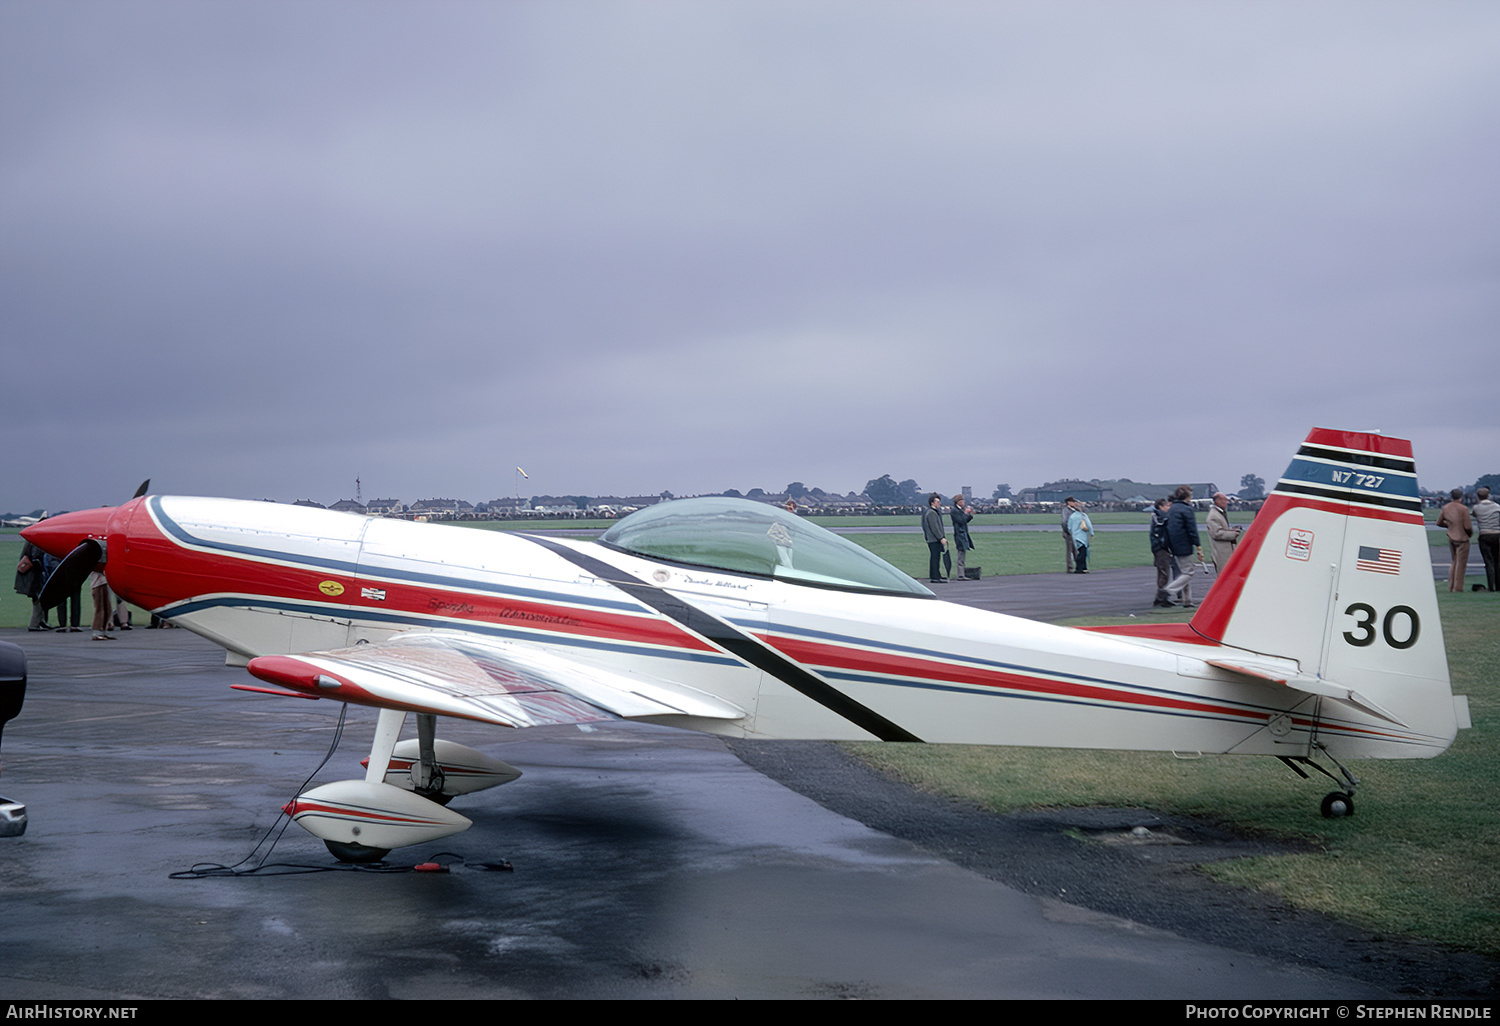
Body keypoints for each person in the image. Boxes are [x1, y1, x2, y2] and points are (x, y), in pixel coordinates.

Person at [1164, 486, 1204, 607]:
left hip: (1173, 544)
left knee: (1183, 572)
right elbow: (1192, 530)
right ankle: (1170, 589)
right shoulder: (1186, 509)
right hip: (1184, 544)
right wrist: (1198, 546)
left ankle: (1187, 599)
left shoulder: (1172, 508)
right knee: (1189, 571)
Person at [1437, 488, 1473, 593]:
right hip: (1462, 538)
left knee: (1454, 562)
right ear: (1461, 497)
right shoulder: (1464, 509)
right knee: (1461, 564)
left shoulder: (1446, 507)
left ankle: (1451, 586)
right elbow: (1468, 526)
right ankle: (1458, 587)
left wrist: (1449, 526)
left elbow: (1439, 522)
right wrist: (1469, 534)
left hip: (1451, 536)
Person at [15, 539, 51, 631]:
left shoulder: (30, 540)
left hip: (31, 574)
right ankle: (34, 624)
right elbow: (36, 557)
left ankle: (40, 621)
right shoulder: (36, 542)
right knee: (38, 599)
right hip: (35, 575)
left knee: (38, 598)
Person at [1206, 492, 1243, 574]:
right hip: (1221, 552)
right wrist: (1233, 534)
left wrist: (1231, 530)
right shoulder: (1213, 516)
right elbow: (1216, 533)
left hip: (1226, 551)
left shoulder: (1219, 513)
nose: (1226, 502)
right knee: (1225, 574)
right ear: (1218, 500)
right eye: (1225, 500)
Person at [1473, 487, 1499, 593]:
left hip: (1484, 534)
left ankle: (1491, 586)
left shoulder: (1476, 508)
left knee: (1488, 562)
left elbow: (1475, 515)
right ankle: (1499, 586)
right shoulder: (1497, 507)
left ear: (1478, 496)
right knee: (1497, 561)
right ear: (1488, 495)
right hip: (1497, 534)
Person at [1150, 498, 1173, 607]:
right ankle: (1161, 597)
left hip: (1158, 547)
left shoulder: (1156, 516)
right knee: (1164, 572)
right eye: (1167, 506)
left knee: (1162, 572)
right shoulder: (1160, 517)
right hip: (1160, 547)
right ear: (1161, 507)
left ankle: (1160, 596)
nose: (1169, 508)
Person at [922, 493, 947, 583]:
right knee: (935, 557)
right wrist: (941, 538)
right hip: (933, 539)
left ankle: (936, 574)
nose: (939, 503)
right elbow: (934, 527)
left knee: (936, 557)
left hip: (934, 539)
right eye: (937, 501)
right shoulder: (931, 513)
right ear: (932, 503)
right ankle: (935, 577)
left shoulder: (935, 512)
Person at [950, 494, 975, 581]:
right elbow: (961, 521)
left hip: (963, 534)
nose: (963, 503)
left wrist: (970, 516)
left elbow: (965, 521)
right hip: (959, 534)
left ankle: (962, 573)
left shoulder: (959, 510)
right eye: (962, 501)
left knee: (963, 553)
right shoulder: (955, 511)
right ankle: (960, 575)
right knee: (961, 554)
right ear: (959, 502)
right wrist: (966, 513)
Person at [1065, 497, 1094, 574]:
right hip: (1082, 536)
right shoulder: (1083, 516)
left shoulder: (1072, 516)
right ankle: (1080, 567)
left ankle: (1083, 567)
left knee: (1079, 551)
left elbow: (1069, 527)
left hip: (1074, 536)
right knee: (1083, 552)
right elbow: (1089, 525)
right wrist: (1091, 533)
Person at [1060, 501, 1075, 572]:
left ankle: (1079, 565)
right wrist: (1066, 531)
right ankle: (1069, 566)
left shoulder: (1075, 509)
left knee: (1076, 549)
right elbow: (1064, 522)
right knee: (1069, 550)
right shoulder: (1065, 510)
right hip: (1069, 532)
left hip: (1076, 532)